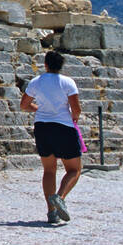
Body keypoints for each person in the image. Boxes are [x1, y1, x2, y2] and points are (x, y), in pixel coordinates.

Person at [20, 50, 82, 224]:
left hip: (42, 127)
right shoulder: (68, 82)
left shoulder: (36, 82)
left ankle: (51, 212)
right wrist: (74, 116)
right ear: (61, 66)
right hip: (63, 127)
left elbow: (24, 105)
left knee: (49, 170)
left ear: (45, 65)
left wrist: (38, 109)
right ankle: (60, 197)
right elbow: (76, 108)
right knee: (74, 169)